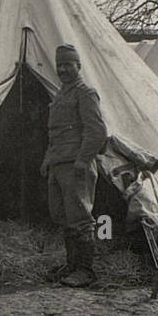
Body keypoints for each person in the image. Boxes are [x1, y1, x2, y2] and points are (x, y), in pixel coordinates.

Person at [39, 44, 108, 287]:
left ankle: (85, 270)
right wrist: (48, 161)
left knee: (80, 217)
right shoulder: (61, 94)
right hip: (59, 164)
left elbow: (97, 131)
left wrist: (82, 160)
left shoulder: (85, 93)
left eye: (68, 64)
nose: (63, 69)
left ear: (78, 65)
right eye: (60, 65)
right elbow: (54, 133)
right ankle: (72, 265)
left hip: (75, 166)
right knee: (63, 216)